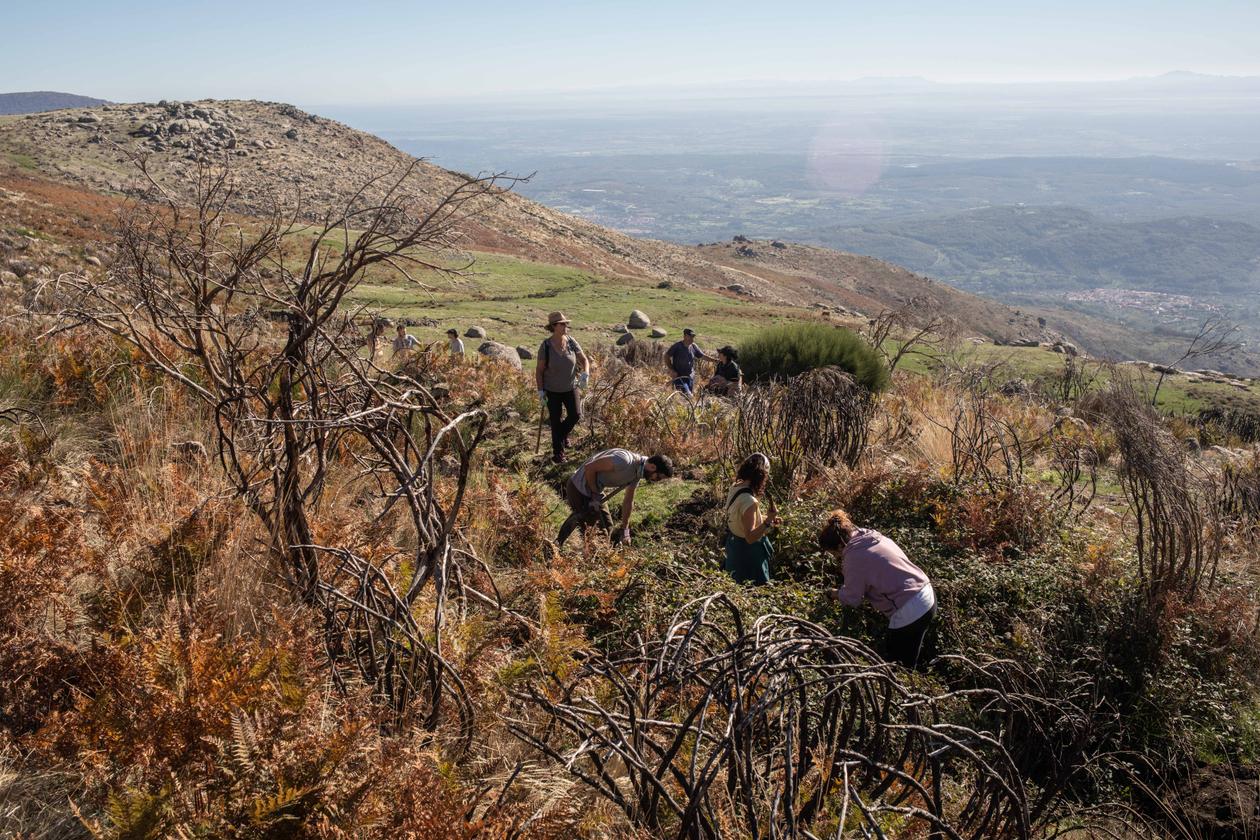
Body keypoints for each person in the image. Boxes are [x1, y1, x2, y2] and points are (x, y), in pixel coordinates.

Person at [818, 509, 937, 669]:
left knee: (897, 665)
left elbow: (852, 598)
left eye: (834, 553)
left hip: (910, 610)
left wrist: (833, 594)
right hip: (926, 593)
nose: (836, 557)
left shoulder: (853, 558)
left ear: (839, 546)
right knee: (908, 656)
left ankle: (907, 682)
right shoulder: (870, 536)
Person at [557, 448, 674, 547]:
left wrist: (625, 531)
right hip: (579, 486)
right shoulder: (624, 461)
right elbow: (590, 468)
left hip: (595, 490)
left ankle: (562, 546)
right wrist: (594, 495)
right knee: (596, 533)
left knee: (608, 526)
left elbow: (628, 501)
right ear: (653, 467)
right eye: (658, 477)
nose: (656, 481)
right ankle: (559, 547)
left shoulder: (637, 473)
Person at [535, 311, 590, 464]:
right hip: (551, 390)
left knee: (575, 415)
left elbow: (584, 360)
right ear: (554, 326)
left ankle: (562, 436)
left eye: (566, 323)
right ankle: (558, 454)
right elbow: (539, 371)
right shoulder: (546, 346)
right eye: (562, 324)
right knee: (555, 421)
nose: (566, 326)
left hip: (571, 387)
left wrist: (586, 373)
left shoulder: (571, 342)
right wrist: (541, 391)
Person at [724, 453, 780, 585]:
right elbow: (749, 537)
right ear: (761, 476)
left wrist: (766, 518)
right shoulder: (749, 501)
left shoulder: (735, 487)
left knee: (735, 588)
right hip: (749, 555)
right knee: (755, 590)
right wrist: (768, 521)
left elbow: (741, 518)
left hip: (735, 549)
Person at [665, 328, 717, 395]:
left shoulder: (693, 346)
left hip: (689, 376)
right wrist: (672, 369)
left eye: (693, 337)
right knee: (683, 394)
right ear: (684, 336)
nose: (692, 338)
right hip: (678, 376)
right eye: (690, 336)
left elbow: (702, 356)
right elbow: (666, 356)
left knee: (688, 395)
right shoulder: (677, 346)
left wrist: (714, 360)